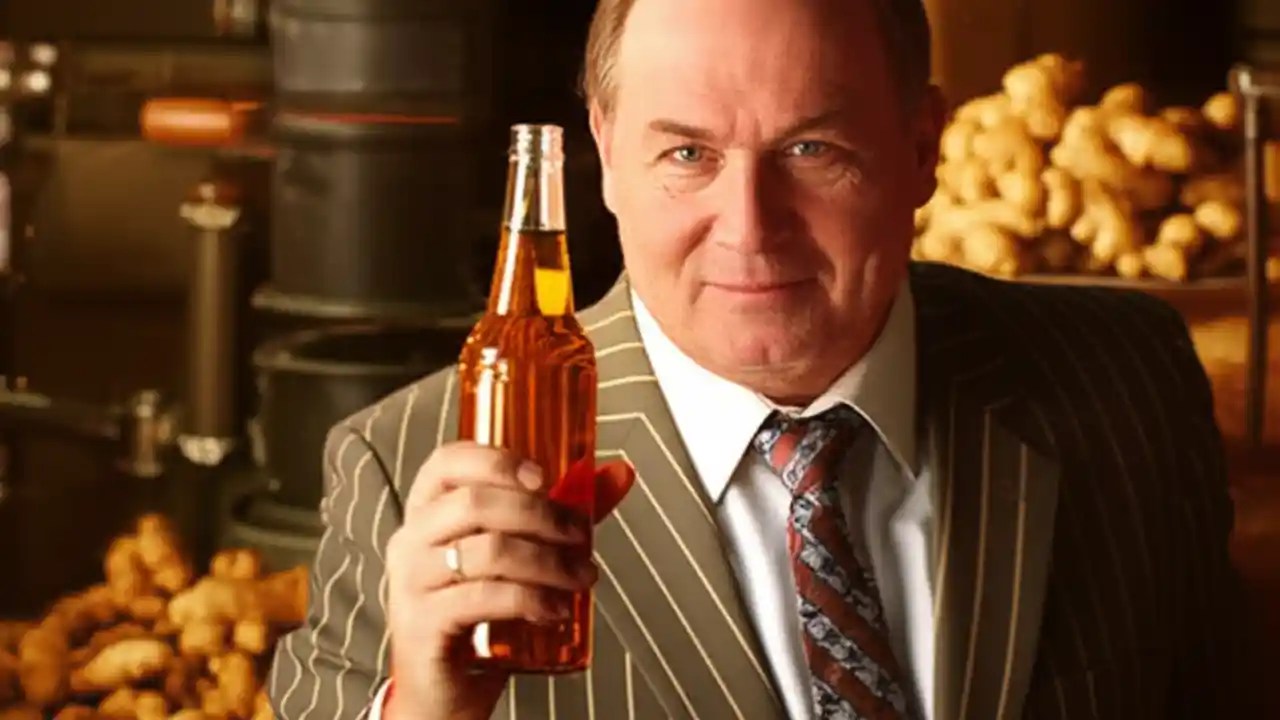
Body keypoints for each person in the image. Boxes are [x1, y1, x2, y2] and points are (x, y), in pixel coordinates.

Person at [266, 0, 1257, 717]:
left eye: (809, 150)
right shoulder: (404, 466)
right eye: (686, 155)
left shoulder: (1126, 380)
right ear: (603, 156)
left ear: (921, 149)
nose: (749, 229)